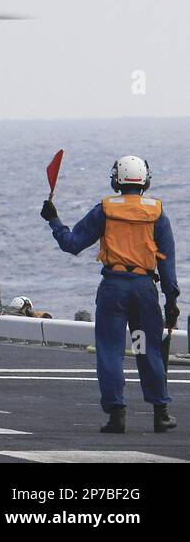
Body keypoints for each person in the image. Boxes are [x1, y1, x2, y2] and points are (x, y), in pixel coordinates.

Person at [41, 156, 178, 434]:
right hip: (144, 290)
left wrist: (54, 219)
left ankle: (117, 415)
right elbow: (167, 263)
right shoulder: (157, 214)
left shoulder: (105, 210)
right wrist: (171, 300)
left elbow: (72, 244)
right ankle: (160, 413)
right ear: (145, 181)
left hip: (114, 289)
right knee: (147, 348)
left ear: (116, 180)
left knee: (111, 351)